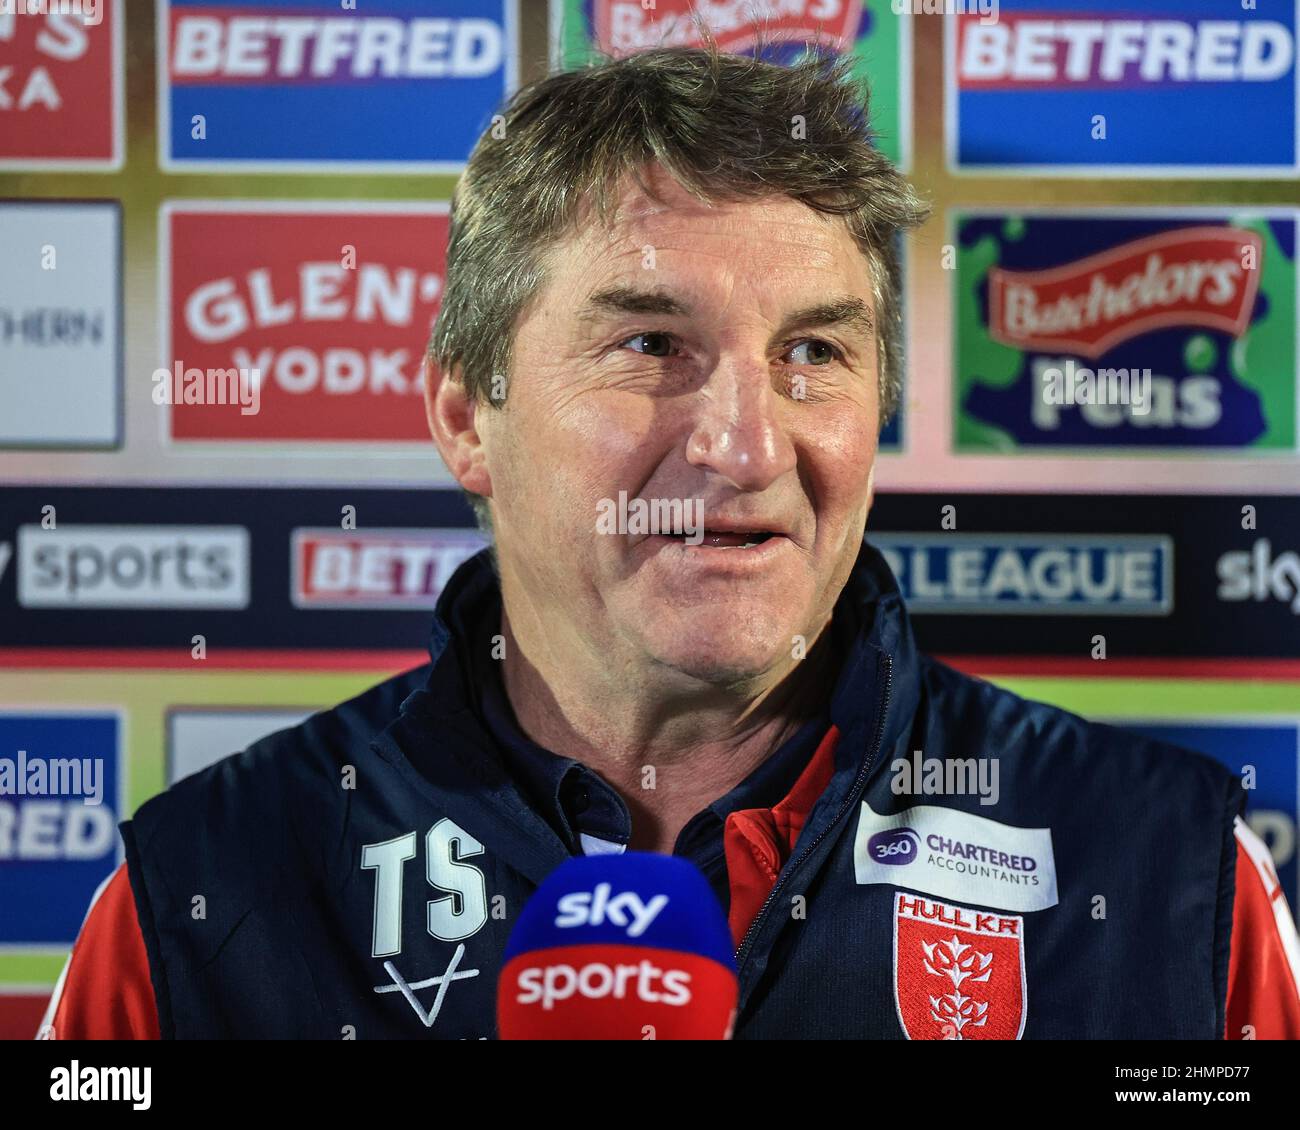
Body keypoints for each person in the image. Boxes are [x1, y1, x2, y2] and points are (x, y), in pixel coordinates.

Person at [41, 45, 1300, 1040]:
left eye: (812, 352)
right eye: (651, 346)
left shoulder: (1168, 872)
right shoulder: (199, 891)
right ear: (462, 418)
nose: (746, 446)